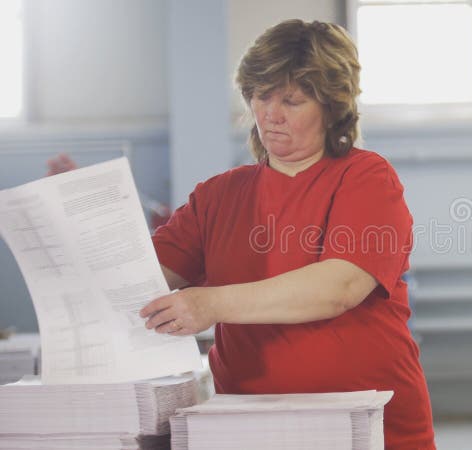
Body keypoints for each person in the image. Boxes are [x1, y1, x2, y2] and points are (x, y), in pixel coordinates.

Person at [138, 19, 436, 449]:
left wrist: (211, 303)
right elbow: (142, 278)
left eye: (292, 100)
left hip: (369, 432)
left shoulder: (367, 178)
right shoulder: (218, 196)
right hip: (251, 429)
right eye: (261, 96)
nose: (270, 115)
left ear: (332, 108)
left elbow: (337, 287)